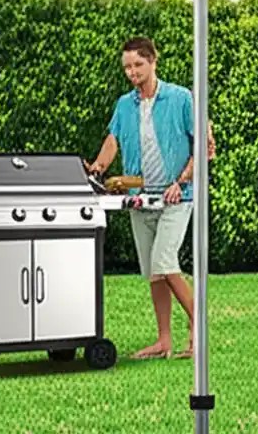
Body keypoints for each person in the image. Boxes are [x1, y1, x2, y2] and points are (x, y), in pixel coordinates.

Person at [86, 37, 215, 360]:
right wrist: (99, 167)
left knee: (164, 261)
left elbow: (202, 145)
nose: (132, 72)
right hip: (140, 198)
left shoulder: (181, 98)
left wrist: (181, 180)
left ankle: (198, 328)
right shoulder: (124, 105)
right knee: (154, 273)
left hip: (177, 196)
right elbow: (113, 140)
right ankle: (163, 341)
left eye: (138, 65)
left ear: (153, 61)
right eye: (127, 67)